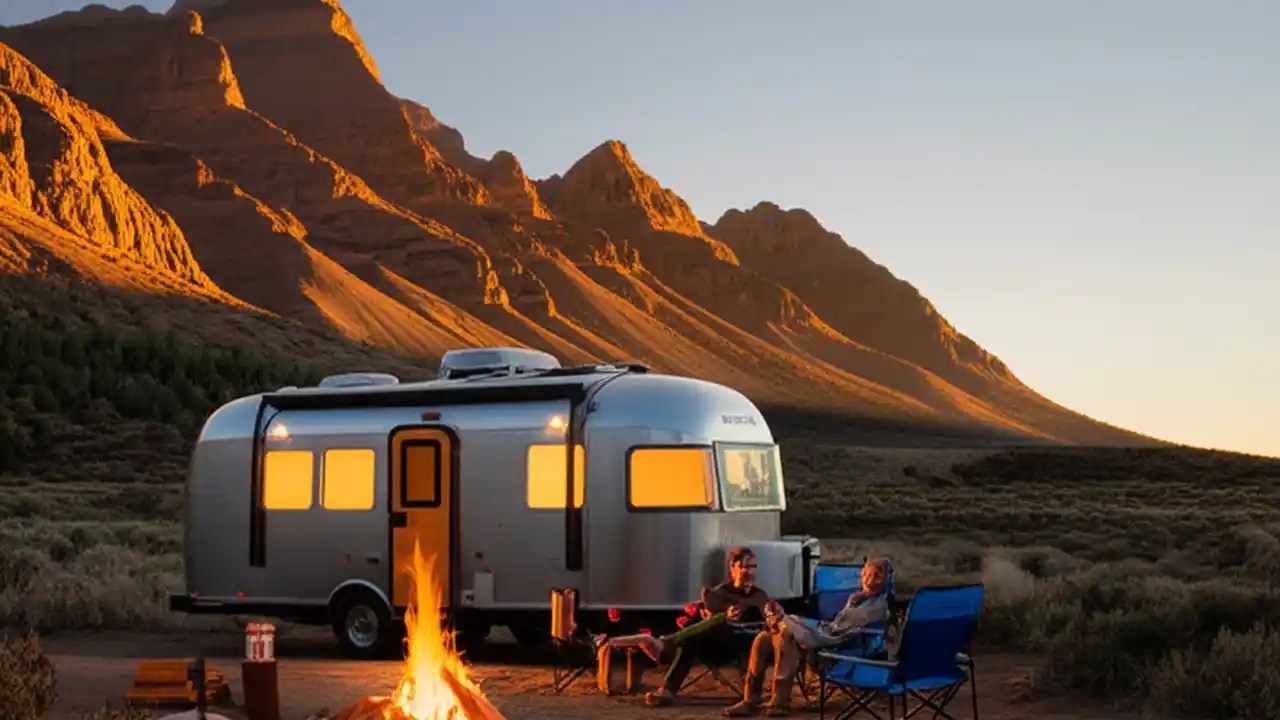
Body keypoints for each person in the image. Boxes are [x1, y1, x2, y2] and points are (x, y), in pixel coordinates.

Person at [723, 558, 891, 717]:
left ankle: (779, 702)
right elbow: (832, 627)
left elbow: (834, 634)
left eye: (877, 575)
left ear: (885, 580)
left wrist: (788, 621)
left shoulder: (876, 606)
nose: (870, 579)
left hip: (837, 650)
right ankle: (751, 699)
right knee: (763, 640)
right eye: (867, 574)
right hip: (822, 638)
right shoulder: (858, 599)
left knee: (785, 632)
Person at [642, 546, 770, 707]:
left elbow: (769, 619)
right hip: (721, 645)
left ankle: (753, 694)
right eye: (746, 567)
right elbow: (711, 614)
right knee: (692, 639)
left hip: (749, 646)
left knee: (755, 642)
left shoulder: (759, 596)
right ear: (732, 567)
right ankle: (667, 690)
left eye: (754, 567)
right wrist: (724, 613)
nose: (750, 572)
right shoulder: (718, 594)